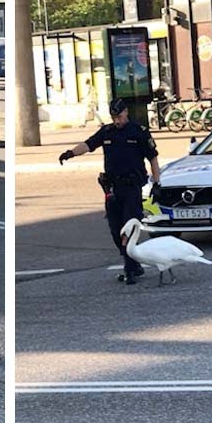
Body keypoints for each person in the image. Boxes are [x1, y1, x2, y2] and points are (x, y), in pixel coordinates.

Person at [59, 98, 161, 286]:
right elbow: (88, 145)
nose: (117, 121)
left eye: (120, 117)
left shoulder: (138, 132)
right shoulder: (107, 132)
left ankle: (130, 269)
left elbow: (153, 158)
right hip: (112, 188)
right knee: (115, 230)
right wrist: (70, 153)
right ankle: (132, 263)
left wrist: (157, 183)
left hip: (132, 188)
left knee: (129, 227)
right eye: (114, 118)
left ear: (126, 113)